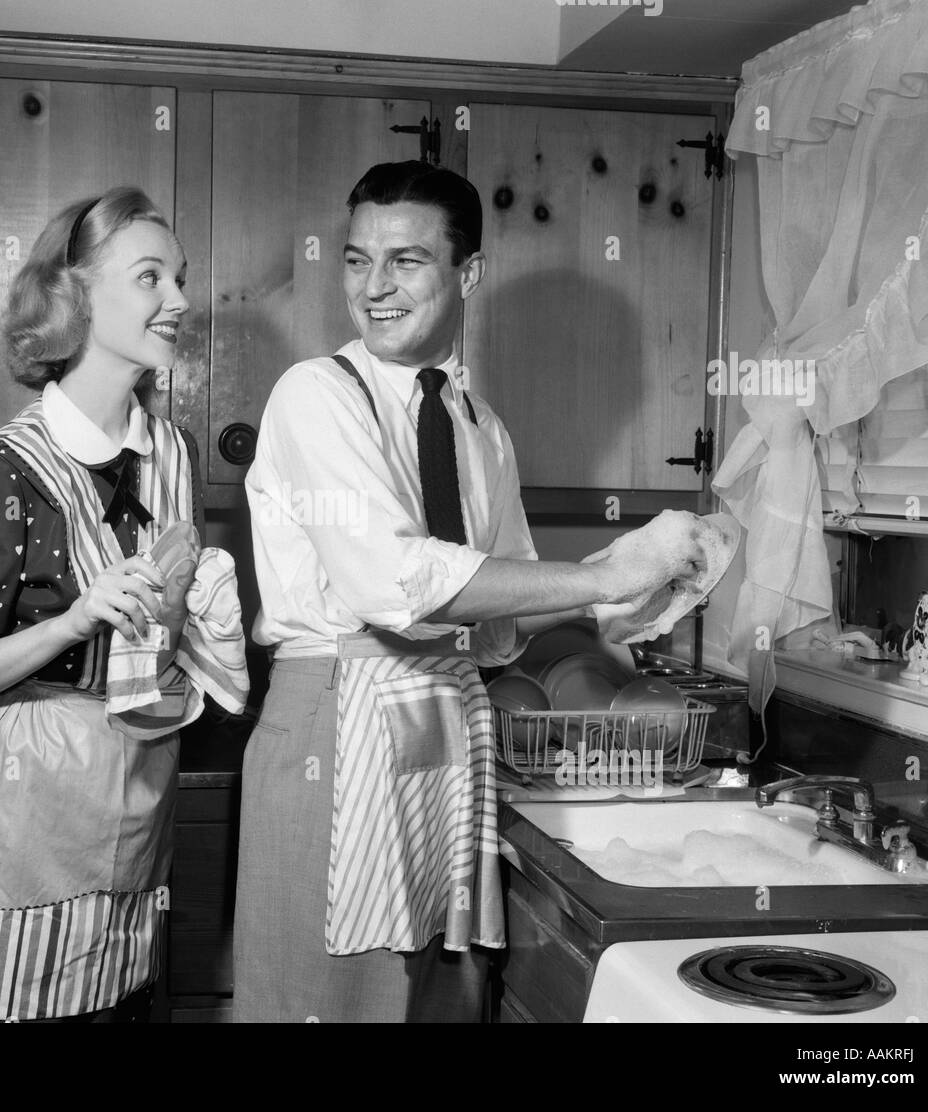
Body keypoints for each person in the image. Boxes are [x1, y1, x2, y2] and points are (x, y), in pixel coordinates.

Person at [233, 161, 703, 1022]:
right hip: (334, 719)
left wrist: (616, 592)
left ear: (467, 274)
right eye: (355, 260)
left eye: (405, 261)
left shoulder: (483, 432)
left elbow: (496, 625)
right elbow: (394, 580)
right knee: (326, 997)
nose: (374, 288)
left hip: (448, 722)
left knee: (437, 998)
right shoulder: (315, 396)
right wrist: (606, 571)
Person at [0, 188, 248, 1023]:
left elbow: (159, 665)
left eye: (181, 278)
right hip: (16, 825)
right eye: (151, 277)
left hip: (130, 813)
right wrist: (72, 620)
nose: (182, 301)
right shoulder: (4, 470)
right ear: (75, 296)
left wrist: (205, 639)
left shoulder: (171, 456)